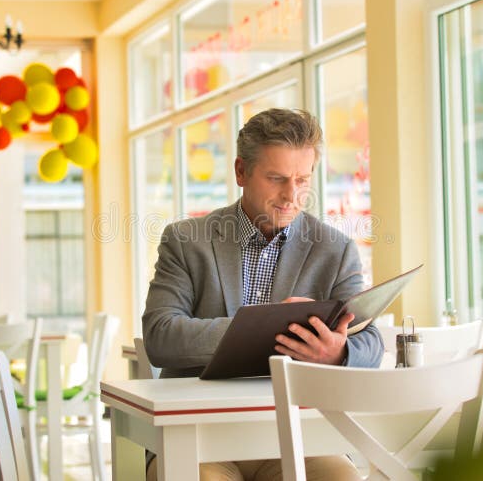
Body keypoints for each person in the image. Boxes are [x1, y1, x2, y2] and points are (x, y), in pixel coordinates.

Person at [143, 108, 383, 481]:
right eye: (277, 179)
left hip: (301, 439)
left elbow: (370, 341)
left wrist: (338, 352)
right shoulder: (185, 241)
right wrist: (260, 332)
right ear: (241, 172)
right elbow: (160, 336)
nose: (292, 196)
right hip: (200, 436)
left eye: (303, 180)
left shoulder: (335, 251)